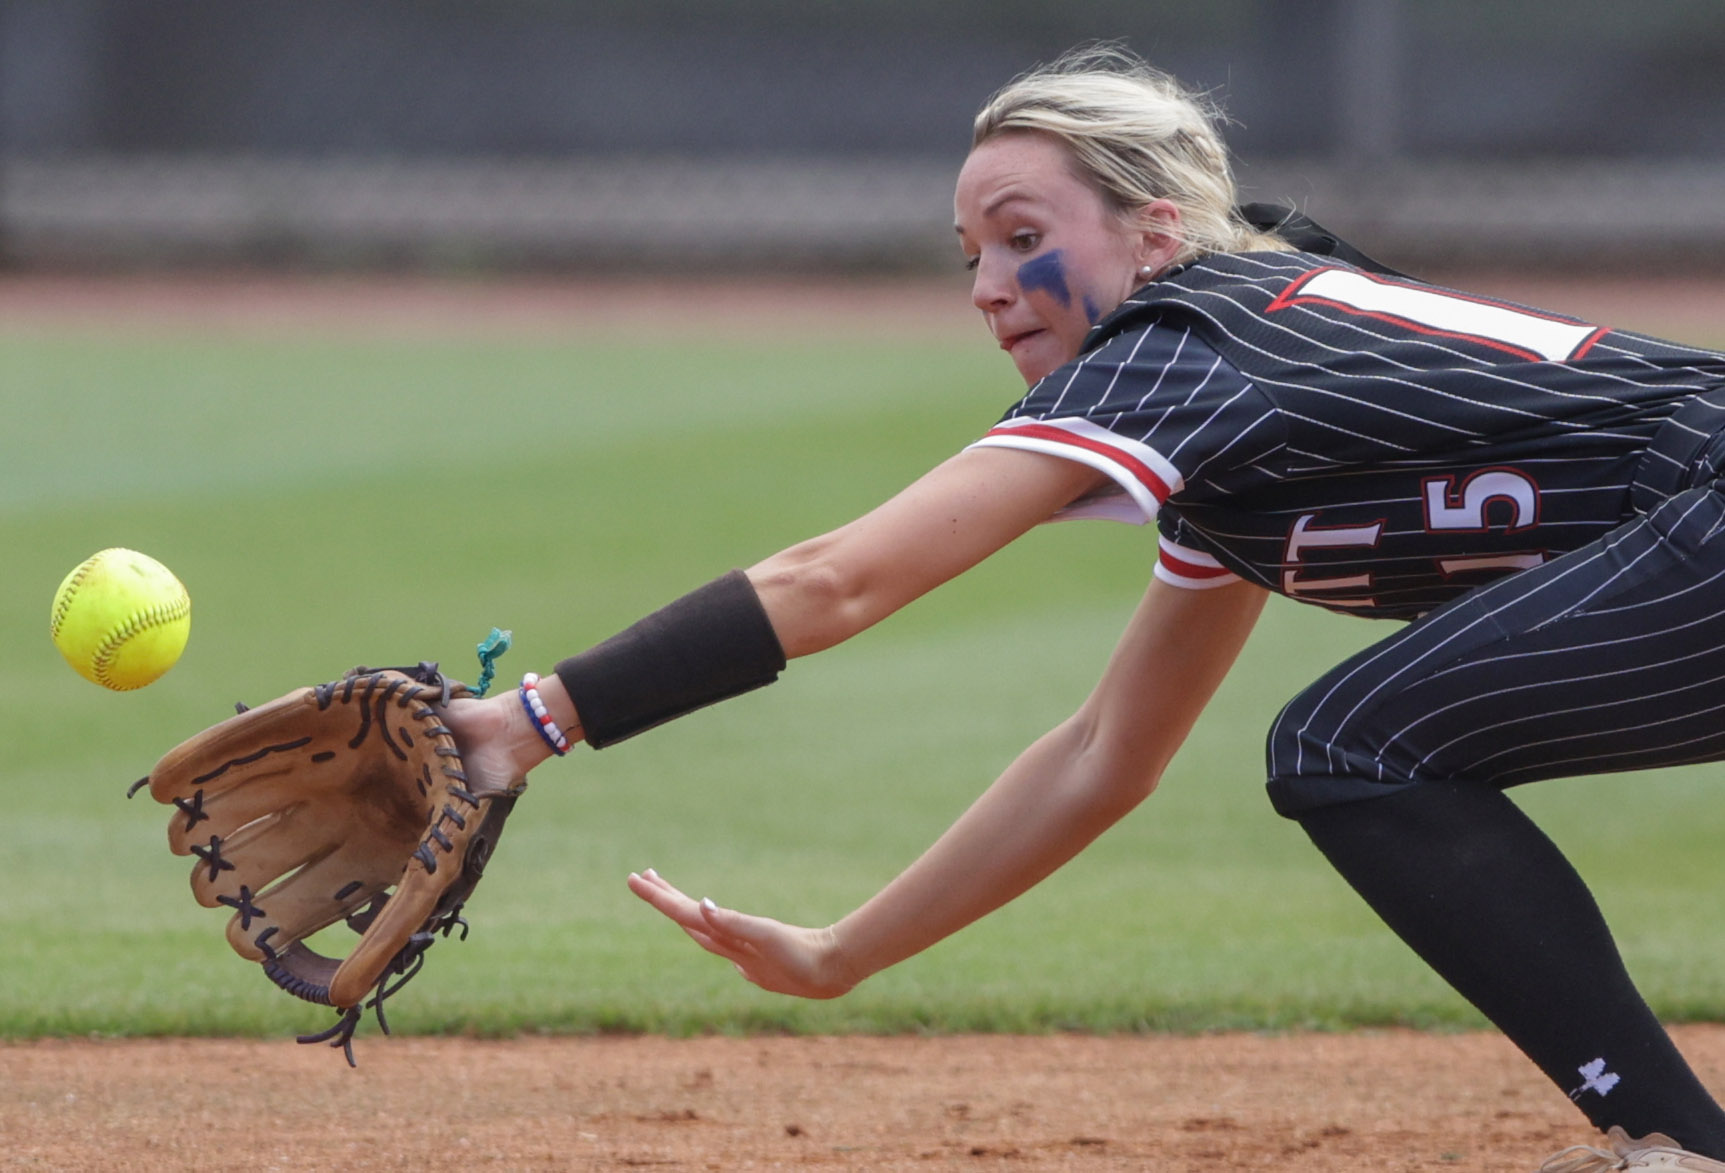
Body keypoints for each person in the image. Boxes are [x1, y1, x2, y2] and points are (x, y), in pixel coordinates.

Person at [445, 44, 1725, 1171]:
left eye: (1020, 235)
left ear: (1157, 235)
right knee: (1357, 748)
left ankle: (1678, 1143)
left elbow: (836, 579)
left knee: (1355, 746)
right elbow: (1107, 753)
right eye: (970, 258)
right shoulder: (1242, 417)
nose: (988, 285)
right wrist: (842, 955)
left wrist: (534, 723)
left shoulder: (1187, 342)